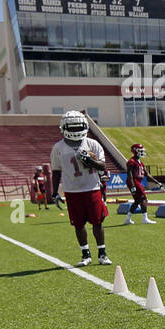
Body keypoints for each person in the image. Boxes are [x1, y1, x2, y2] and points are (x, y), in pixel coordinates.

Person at [50, 111, 112, 266]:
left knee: (97, 223)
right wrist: (54, 192)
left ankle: (102, 254)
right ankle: (86, 255)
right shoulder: (58, 147)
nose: (75, 130)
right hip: (72, 191)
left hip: (92, 188)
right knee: (78, 225)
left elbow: (103, 166)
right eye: (71, 127)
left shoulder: (92, 144)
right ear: (64, 128)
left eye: (78, 126)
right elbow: (56, 171)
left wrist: (89, 160)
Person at [122, 143, 156, 225]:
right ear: (135, 151)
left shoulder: (140, 162)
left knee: (137, 201)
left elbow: (147, 174)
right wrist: (133, 185)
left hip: (137, 182)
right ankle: (145, 219)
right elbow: (129, 174)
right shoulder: (131, 161)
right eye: (140, 151)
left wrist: (157, 182)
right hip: (134, 181)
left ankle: (127, 219)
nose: (142, 152)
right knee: (143, 199)